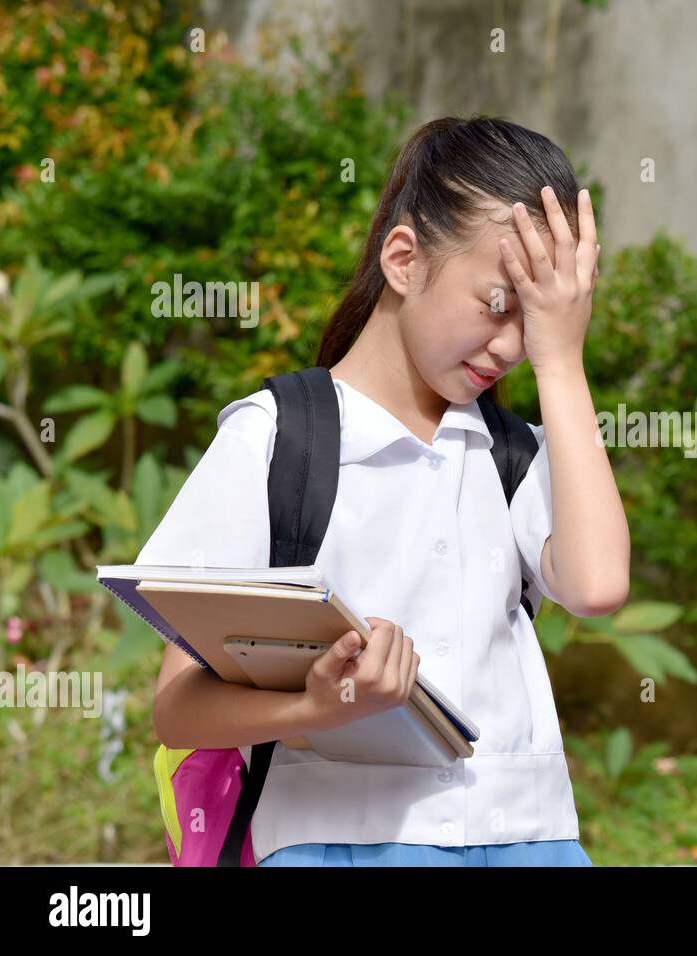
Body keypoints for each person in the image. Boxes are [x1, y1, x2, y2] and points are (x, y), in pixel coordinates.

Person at [145, 116, 630, 866]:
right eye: (499, 305)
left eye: (533, 322)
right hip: (338, 840)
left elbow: (598, 586)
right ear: (403, 259)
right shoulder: (277, 440)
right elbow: (177, 710)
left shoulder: (514, 454)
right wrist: (321, 704)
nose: (511, 346)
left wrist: (562, 359)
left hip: (528, 836)